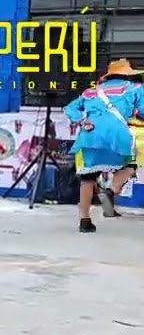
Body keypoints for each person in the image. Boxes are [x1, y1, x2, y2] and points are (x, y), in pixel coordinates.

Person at [63, 59, 144, 231]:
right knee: (131, 163)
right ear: (127, 75)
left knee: (88, 178)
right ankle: (111, 189)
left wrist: (83, 120)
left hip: (89, 135)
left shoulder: (90, 92)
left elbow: (69, 109)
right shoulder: (134, 88)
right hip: (117, 134)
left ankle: (84, 222)